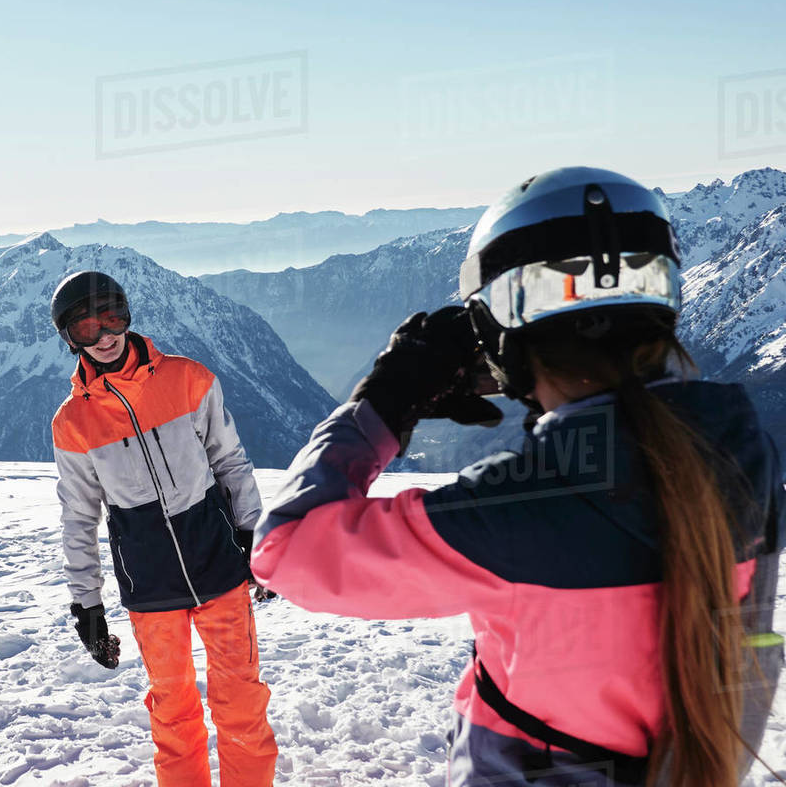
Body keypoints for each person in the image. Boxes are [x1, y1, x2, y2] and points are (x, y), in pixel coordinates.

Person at [250, 167, 785, 787]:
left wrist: (385, 405)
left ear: (499, 333)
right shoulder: (743, 454)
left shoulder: (519, 507)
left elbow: (285, 549)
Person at [49, 270, 279, 787]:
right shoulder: (73, 423)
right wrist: (87, 603)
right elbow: (79, 516)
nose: (105, 336)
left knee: (240, 699)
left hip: (218, 562)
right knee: (172, 712)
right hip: (150, 583)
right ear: (70, 339)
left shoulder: (187, 378)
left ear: (128, 315)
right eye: (88, 329)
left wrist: (257, 540)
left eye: (113, 319)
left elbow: (231, 464)